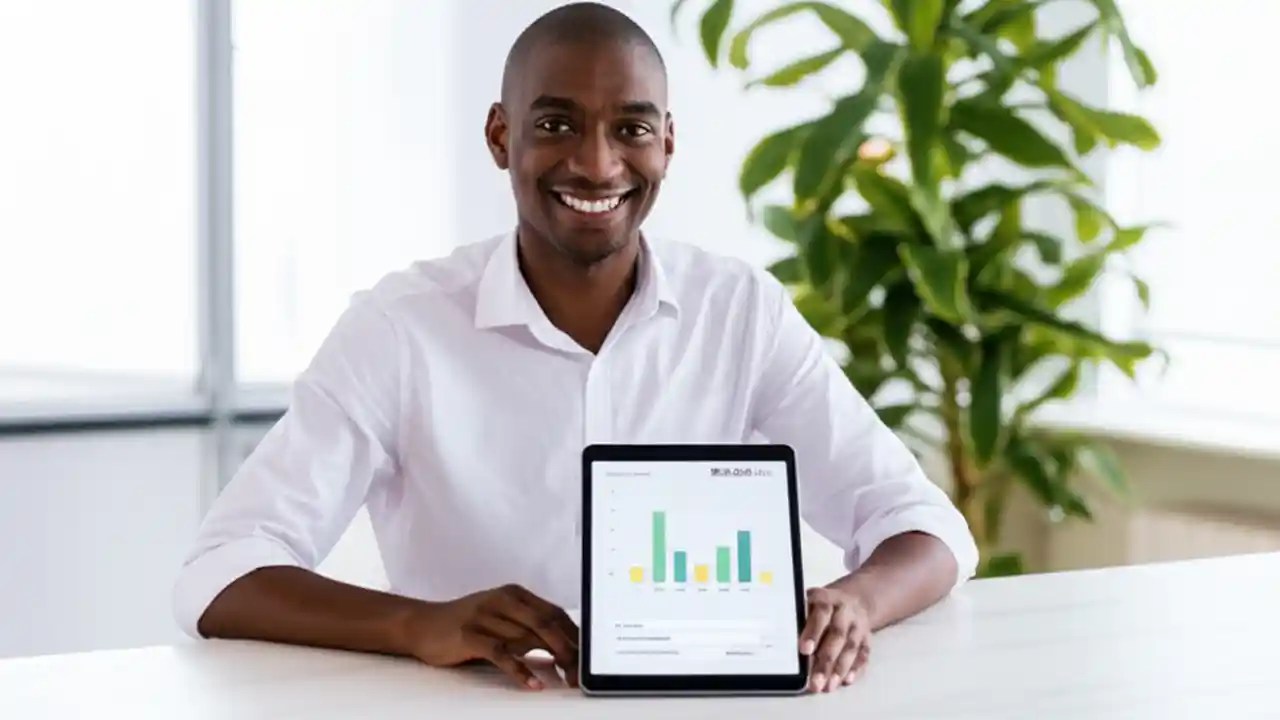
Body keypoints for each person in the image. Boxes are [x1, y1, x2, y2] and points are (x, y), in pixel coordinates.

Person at [173, 2, 978, 695]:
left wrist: (857, 601)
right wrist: (420, 625)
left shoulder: (740, 311)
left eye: (630, 129)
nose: (596, 163)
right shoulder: (400, 329)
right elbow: (219, 575)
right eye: (556, 124)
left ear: (666, 144)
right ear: (500, 135)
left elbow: (925, 527)